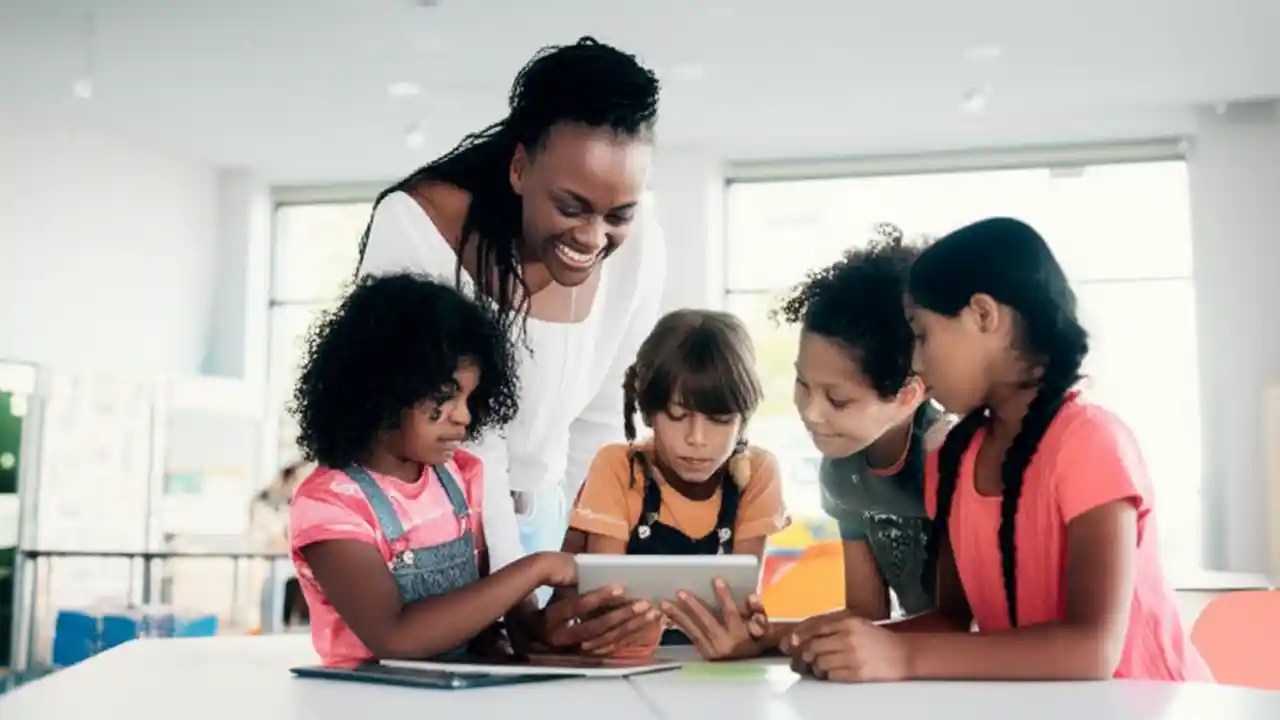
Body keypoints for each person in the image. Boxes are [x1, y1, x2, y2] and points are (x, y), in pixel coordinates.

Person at [785, 218, 1213, 683]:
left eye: (923, 335)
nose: (917, 361)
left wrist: (903, 657)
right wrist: (840, 642)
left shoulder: (1090, 442)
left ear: (983, 316)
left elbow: (1091, 650)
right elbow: (950, 621)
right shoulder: (953, 458)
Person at [355, 36, 665, 592]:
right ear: (520, 168)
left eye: (618, 213)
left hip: (544, 519)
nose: (593, 238)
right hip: (426, 522)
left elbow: (598, 424)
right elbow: (462, 439)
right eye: (570, 207)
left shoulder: (640, 246)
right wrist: (513, 602)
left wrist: (586, 575)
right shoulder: (421, 228)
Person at [287, 273, 575, 667]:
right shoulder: (331, 505)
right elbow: (396, 637)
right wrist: (535, 569)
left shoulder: (460, 475)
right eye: (445, 398)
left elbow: (481, 617)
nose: (464, 417)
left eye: (470, 399)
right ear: (384, 392)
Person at [567, 310, 790, 660]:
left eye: (719, 419)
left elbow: (739, 606)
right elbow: (602, 603)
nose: (697, 439)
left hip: (715, 662)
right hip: (625, 659)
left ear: (743, 419)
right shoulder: (619, 467)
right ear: (648, 410)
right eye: (676, 415)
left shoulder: (757, 473)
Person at [776, 224, 949, 621]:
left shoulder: (947, 457)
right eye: (803, 384)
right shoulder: (841, 470)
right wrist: (770, 635)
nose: (810, 413)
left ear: (909, 395)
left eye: (838, 399)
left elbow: (959, 625)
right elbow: (867, 614)